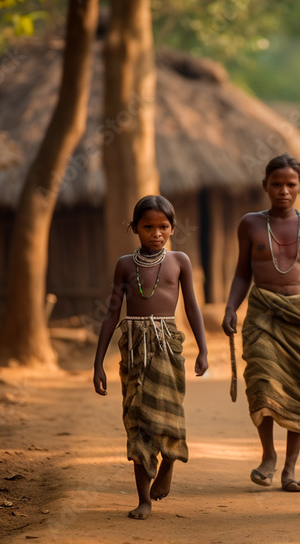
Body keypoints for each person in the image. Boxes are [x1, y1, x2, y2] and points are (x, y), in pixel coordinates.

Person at [93, 195, 209, 520]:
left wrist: (203, 348)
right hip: (133, 347)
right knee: (137, 420)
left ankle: (169, 462)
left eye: (163, 226)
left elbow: (192, 307)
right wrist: (98, 361)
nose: (156, 233)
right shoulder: (125, 265)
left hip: (167, 345)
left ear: (172, 228)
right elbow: (112, 312)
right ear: (135, 228)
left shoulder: (180, 261)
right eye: (148, 227)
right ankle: (143, 499)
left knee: (170, 413)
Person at [222, 153, 300, 493]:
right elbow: (242, 273)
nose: (283, 190)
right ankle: (268, 456)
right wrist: (230, 308)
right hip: (262, 312)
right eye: (276, 184)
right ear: (265, 185)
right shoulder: (250, 224)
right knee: (262, 381)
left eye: (290, 184)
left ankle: (290, 468)